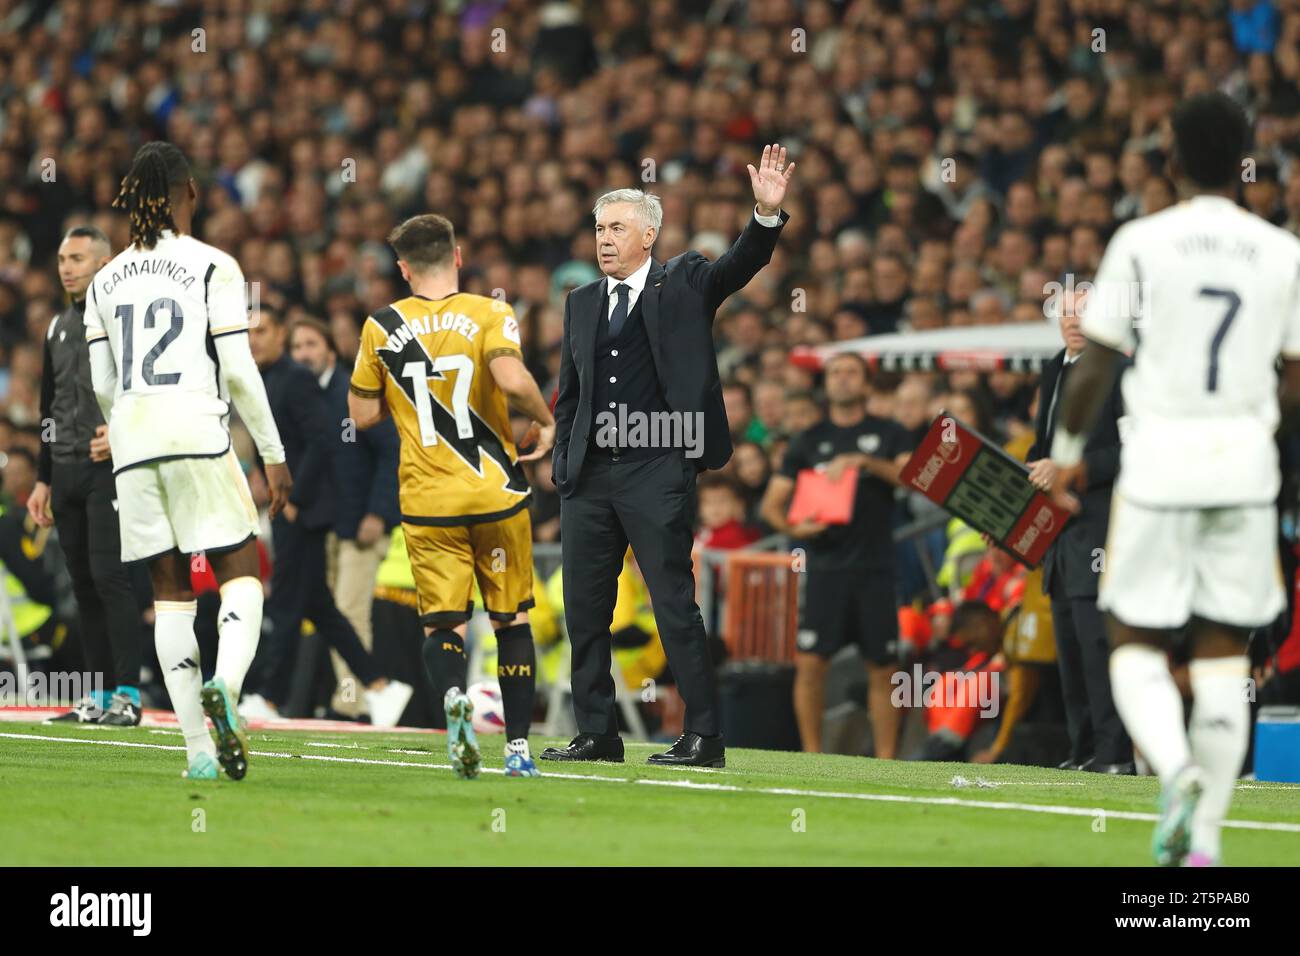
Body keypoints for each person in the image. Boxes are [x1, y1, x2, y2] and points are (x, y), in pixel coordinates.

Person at [1048, 92, 1300, 866]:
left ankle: (1177, 767)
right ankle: (1209, 841)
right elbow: (1293, 377)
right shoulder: (1283, 251)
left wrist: (1064, 450)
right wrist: (1269, 450)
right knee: (1227, 654)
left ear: (1171, 160)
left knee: (1131, 637)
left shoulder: (1141, 241)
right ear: (1245, 159)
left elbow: (1097, 358)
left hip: (1159, 465)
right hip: (1244, 468)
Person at [544, 145, 794, 769]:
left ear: (648, 234)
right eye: (599, 228)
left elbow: (738, 268)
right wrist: (564, 463)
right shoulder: (578, 303)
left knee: (673, 603)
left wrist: (764, 216)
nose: (604, 239)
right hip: (590, 475)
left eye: (617, 228)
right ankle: (598, 731)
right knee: (585, 607)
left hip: (658, 464)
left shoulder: (683, 279)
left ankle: (703, 736)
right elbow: (569, 393)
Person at [84, 141, 292, 781]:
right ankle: (226, 685)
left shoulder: (101, 279)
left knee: (170, 596)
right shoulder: (214, 266)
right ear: (190, 193)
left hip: (134, 441)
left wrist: (127, 424)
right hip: (198, 432)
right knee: (241, 573)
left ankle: (199, 752)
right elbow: (237, 365)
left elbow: (101, 381)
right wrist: (273, 452)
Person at [348, 213, 556, 779]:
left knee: (444, 627)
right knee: (510, 621)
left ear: (403, 268)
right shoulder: (490, 312)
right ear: (458, 257)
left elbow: (362, 415)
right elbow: (512, 381)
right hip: (496, 496)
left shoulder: (380, 325)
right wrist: (545, 420)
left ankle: (454, 705)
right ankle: (516, 750)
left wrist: (404, 399)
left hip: (427, 501)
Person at [242, 303, 413, 728]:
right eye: (250, 332)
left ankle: (278, 696)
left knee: (295, 603)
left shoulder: (323, 387)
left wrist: (294, 491)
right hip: (325, 516)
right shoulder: (278, 381)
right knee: (320, 606)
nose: (255, 339)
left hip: (329, 514)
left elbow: (340, 445)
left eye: (308, 343)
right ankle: (377, 686)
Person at [760, 352, 912, 756]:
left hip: (876, 567)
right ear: (825, 385)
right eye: (835, 373)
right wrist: (795, 527)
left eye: (851, 373)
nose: (843, 380)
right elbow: (772, 505)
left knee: (883, 667)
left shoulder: (890, 433)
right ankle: (812, 754)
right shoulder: (809, 440)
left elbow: (913, 478)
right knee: (811, 664)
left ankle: (887, 761)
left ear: (866, 383)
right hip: (826, 568)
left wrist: (864, 462)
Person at [29, 226, 146, 725]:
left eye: (77, 258)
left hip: (109, 471)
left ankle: (128, 694)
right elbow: (48, 408)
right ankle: (96, 696)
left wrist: (120, 435)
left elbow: (145, 390)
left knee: (109, 578)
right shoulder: (56, 327)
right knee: (82, 585)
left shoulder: (124, 322)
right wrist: (42, 476)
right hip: (67, 469)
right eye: (61, 259)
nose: (66, 267)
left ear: (103, 263)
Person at [1026, 288, 1132, 773]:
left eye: (1084, 312)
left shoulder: (1120, 371)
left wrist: (1072, 471)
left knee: (1097, 644)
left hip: (1101, 527)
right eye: (1065, 310)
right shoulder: (1053, 368)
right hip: (1057, 531)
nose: (1073, 319)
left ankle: (1116, 756)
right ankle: (1083, 749)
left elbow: (1131, 450)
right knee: (1068, 643)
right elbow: (1041, 448)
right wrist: (1019, 494)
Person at [289, 317, 400, 719]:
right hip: (325, 528)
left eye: (310, 344)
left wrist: (378, 513)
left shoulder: (353, 393)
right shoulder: (305, 398)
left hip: (359, 526)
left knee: (350, 613)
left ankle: (351, 704)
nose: (303, 354)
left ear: (330, 352)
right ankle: (356, 697)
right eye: (297, 347)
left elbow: (392, 453)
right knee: (333, 615)